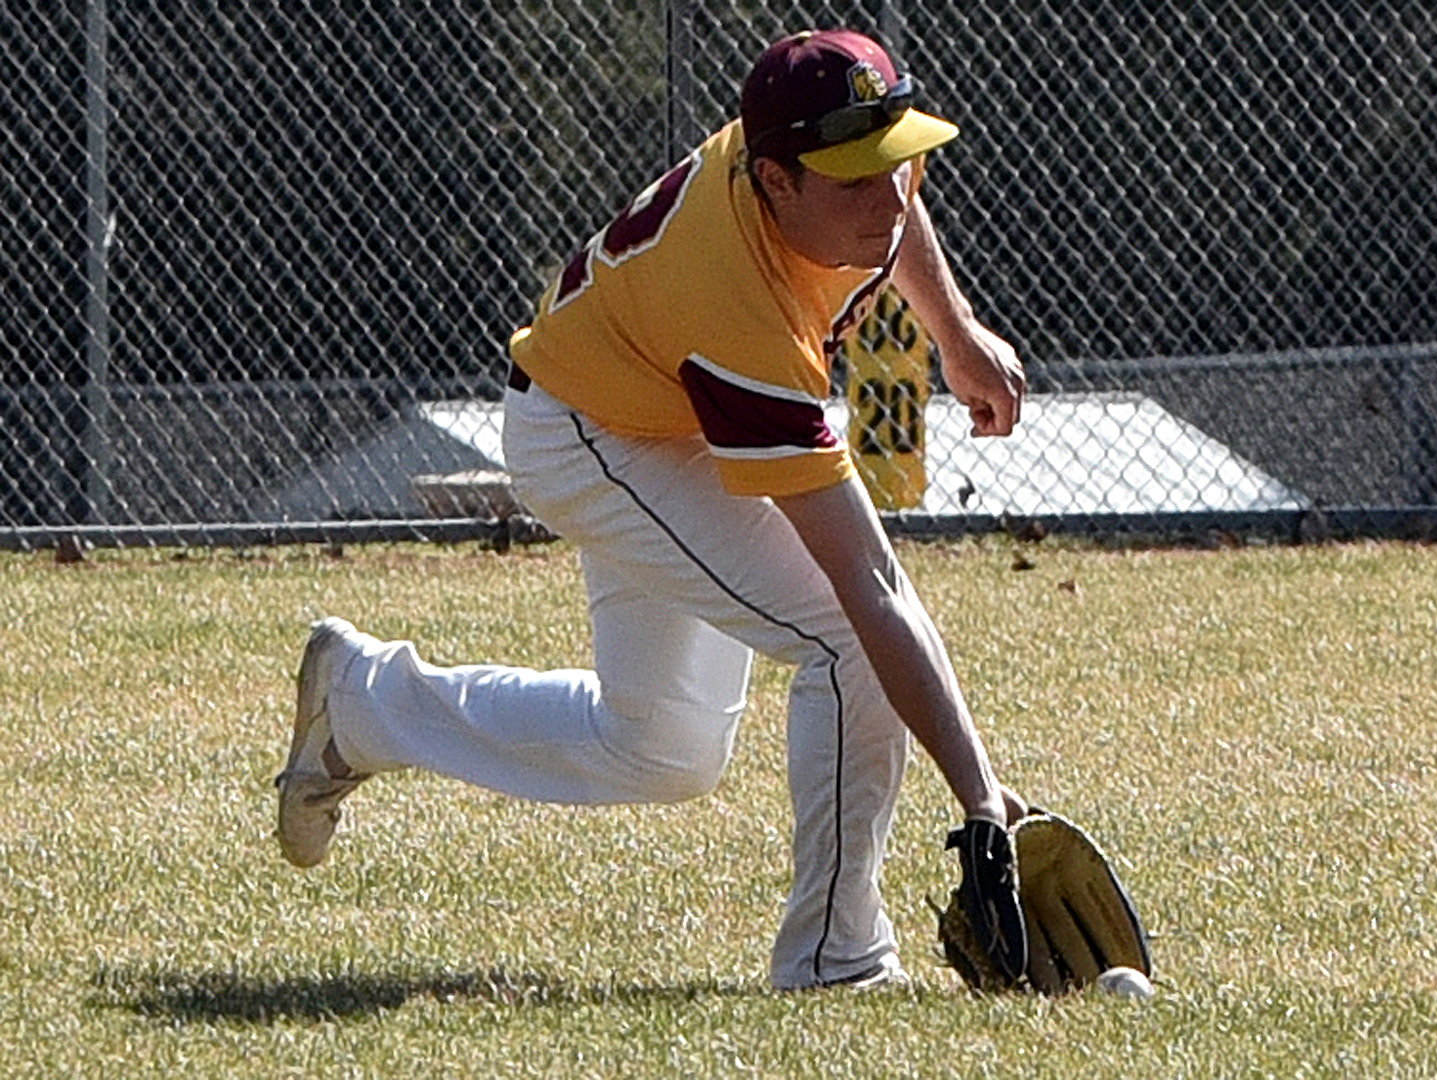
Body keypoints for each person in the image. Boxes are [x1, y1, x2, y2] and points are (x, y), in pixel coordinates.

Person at [272, 28, 1028, 991]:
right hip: (589, 433)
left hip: (663, 400)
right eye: (856, 181)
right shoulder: (737, 304)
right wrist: (982, 801)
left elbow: (894, 197)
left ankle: (364, 704)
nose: (887, 196)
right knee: (847, 640)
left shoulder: (818, 159)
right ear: (775, 182)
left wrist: (954, 334)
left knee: (665, 749)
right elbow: (870, 585)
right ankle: (835, 957)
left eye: (895, 157)